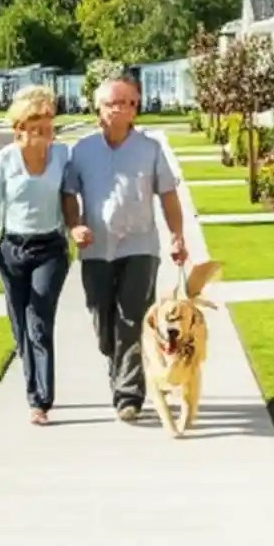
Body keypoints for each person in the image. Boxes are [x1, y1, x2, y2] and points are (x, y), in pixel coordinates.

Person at [61, 73, 188, 422]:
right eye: (117, 103)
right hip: (95, 249)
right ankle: (118, 364)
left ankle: (128, 395)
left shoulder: (150, 149)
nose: (125, 109)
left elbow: (168, 195)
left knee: (132, 319)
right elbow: (69, 193)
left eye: (131, 102)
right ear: (99, 108)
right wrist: (75, 226)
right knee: (103, 322)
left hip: (140, 246)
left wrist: (177, 235)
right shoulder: (82, 150)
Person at [0, 85, 70, 426]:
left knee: (39, 323)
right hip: (12, 249)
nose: (46, 134)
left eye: (49, 126)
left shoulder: (62, 155)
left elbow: (70, 197)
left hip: (50, 249)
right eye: (38, 128)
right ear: (20, 130)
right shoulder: (2, 161)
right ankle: (34, 382)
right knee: (20, 329)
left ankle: (39, 400)